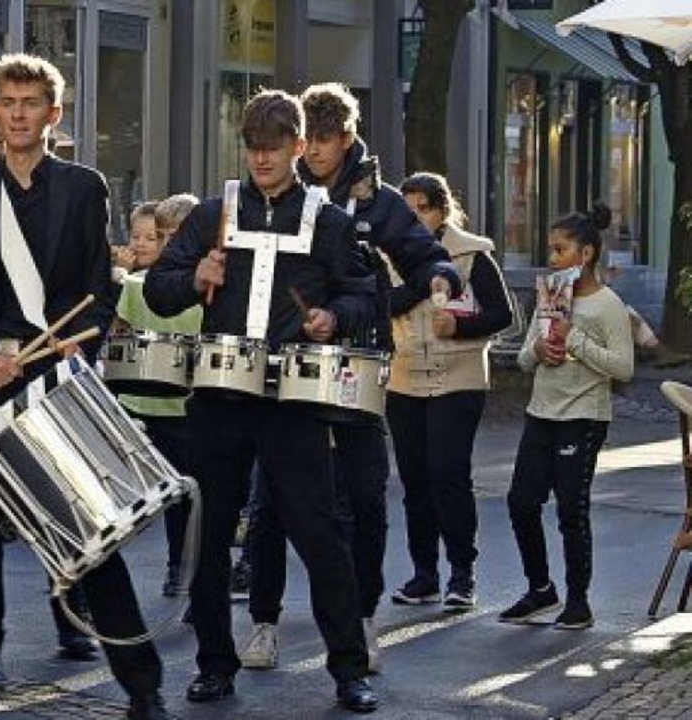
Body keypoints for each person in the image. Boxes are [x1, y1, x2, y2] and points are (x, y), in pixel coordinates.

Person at [0, 53, 169, 720]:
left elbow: (98, 287)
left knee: (91, 538)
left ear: (53, 114)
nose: (20, 113)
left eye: (33, 102)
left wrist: (81, 333)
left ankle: (143, 688)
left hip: (54, 385)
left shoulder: (84, 188)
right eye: (8, 102)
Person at [144, 88, 381, 713]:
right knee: (210, 531)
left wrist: (334, 316)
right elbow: (160, 288)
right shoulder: (215, 214)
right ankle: (214, 664)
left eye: (274, 149)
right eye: (253, 149)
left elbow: (366, 296)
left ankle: (350, 669)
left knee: (319, 531)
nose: (262, 160)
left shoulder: (328, 221)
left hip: (292, 400)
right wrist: (195, 278)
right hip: (220, 395)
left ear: (299, 147)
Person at [237, 82, 459, 675]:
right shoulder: (280, 190)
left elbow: (421, 252)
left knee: (363, 492)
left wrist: (440, 278)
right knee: (271, 497)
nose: (312, 154)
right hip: (286, 358)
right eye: (308, 142)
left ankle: (362, 618)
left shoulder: (380, 203)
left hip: (356, 355)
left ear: (346, 140)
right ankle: (264, 619)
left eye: (325, 143)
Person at [499, 204, 633, 630]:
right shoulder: (551, 296)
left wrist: (575, 339)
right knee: (521, 502)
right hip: (542, 412)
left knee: (571, 510)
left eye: (560, 250)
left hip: (583, 416)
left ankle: (579, 601)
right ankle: (540, 588)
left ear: (587, 254)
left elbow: (624, 368)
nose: (552, 258)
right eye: (550, 250)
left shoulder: (608, 306)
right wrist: (538, 350)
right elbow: (524, 357)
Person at [388, 172, 514, 614]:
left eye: (423, 208)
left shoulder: (472, 254)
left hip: (458, 377)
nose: (416, 218)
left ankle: (463, 574)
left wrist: (461, 326)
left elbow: (503, 314)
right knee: (414, 479)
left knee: (448, 475)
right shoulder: (388, 256)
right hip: (403, 378)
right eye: (408, 211)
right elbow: (381, 305)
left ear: (442, 210)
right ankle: (425, 575)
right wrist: (417, 285)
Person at [111, 195, 201, 598]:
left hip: (185, 407)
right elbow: (117, 331)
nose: (162, 245)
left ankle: (180, 568)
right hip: (139, 404)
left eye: (169, 237)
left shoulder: (206, 288)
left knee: (185, 497)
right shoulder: (135, 284)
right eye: (156, 236)